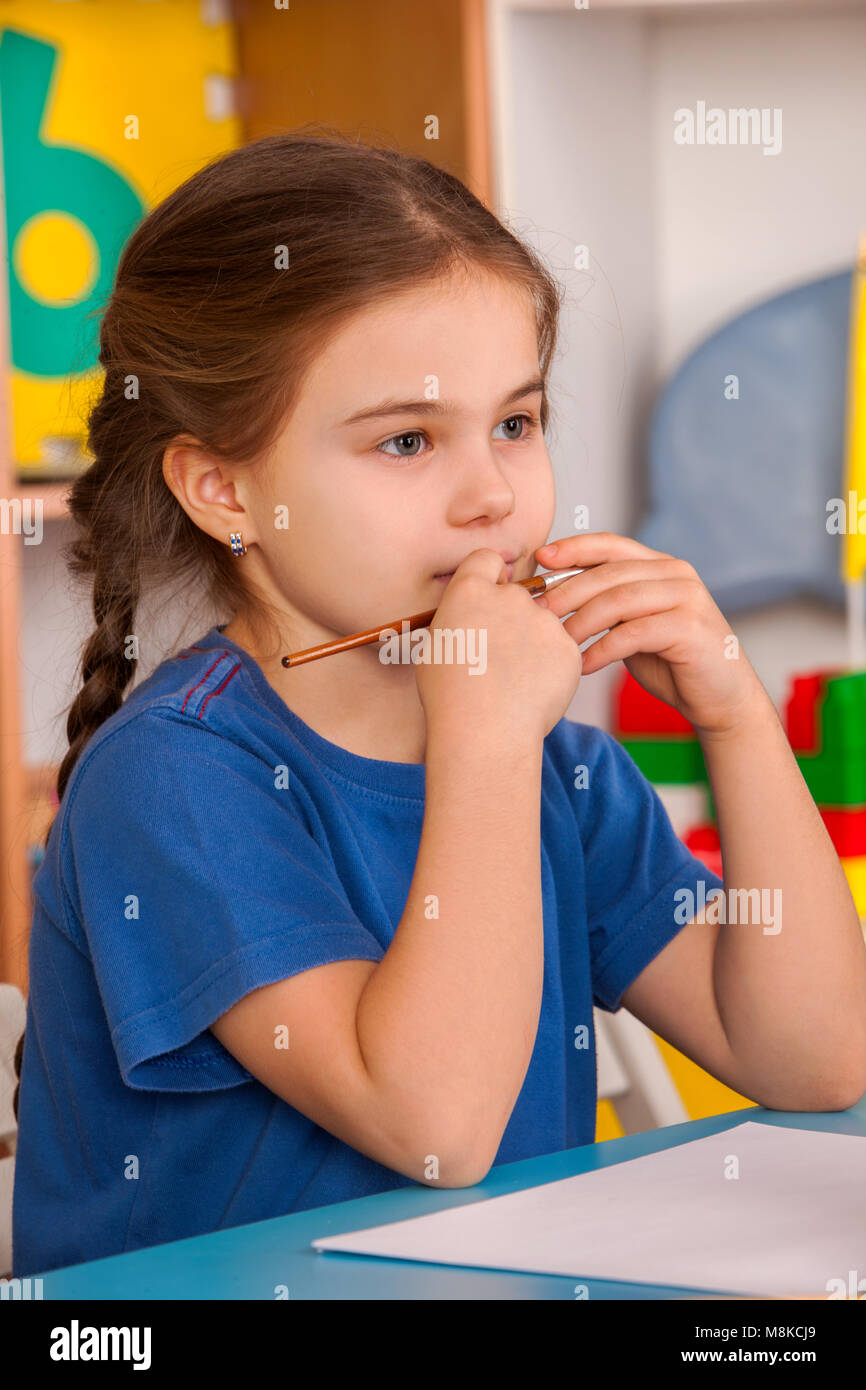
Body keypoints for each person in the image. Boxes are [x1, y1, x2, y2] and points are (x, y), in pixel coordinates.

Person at [11, 130, 866, 1278]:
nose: (491, 496)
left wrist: (733, 715)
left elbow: (818, 1060)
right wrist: (485, 740)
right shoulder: (173, 780)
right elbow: (434, 1130)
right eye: (407, 439)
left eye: (514, 423)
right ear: (224, 489)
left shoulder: (555, 767)